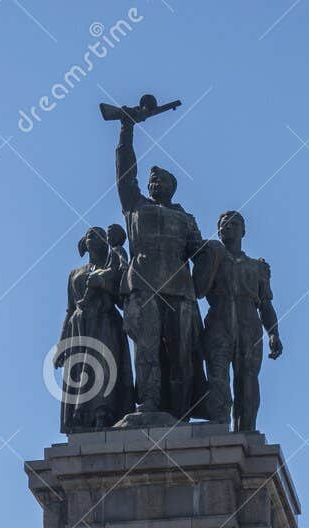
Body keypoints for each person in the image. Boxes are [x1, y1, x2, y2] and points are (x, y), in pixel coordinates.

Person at [113, 114, 207, 420]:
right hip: (142, 285)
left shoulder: (186, 219)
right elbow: (125, 173)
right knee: (147, 349)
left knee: (180, 353)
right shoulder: (135, 206)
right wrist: (126, 130)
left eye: (161, 180)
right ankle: (149, 401)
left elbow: (202, 255)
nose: (154, 183)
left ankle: (180, 408)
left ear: (172, 187)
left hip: (180, 290)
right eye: (152, 180)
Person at [200, 210, 282, 432]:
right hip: (219, 319)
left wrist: (273, 333)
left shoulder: (257, 267)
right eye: (224, 224)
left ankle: (246, 430)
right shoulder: (213, 257)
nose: (228, 227)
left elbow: (265, 304)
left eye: (234, 224)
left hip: (249, 324)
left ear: (243, 231)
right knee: (217, 377)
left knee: (247, 380)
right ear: (218, 231)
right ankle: (219, 426)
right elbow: (198, 290)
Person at [54, 225, 134, 433]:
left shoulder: (113, 266)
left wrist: (103, 284)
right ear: (85, 243)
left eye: (99, 236)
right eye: (91, 235)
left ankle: (103, 413)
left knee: (103, 366)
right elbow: (70, 309)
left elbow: (122, 297)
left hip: (106, 321)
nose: (95, 238)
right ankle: (79, 415)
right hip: (79, 325)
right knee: (80, 370)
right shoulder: (75, 273)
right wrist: (61, 345)